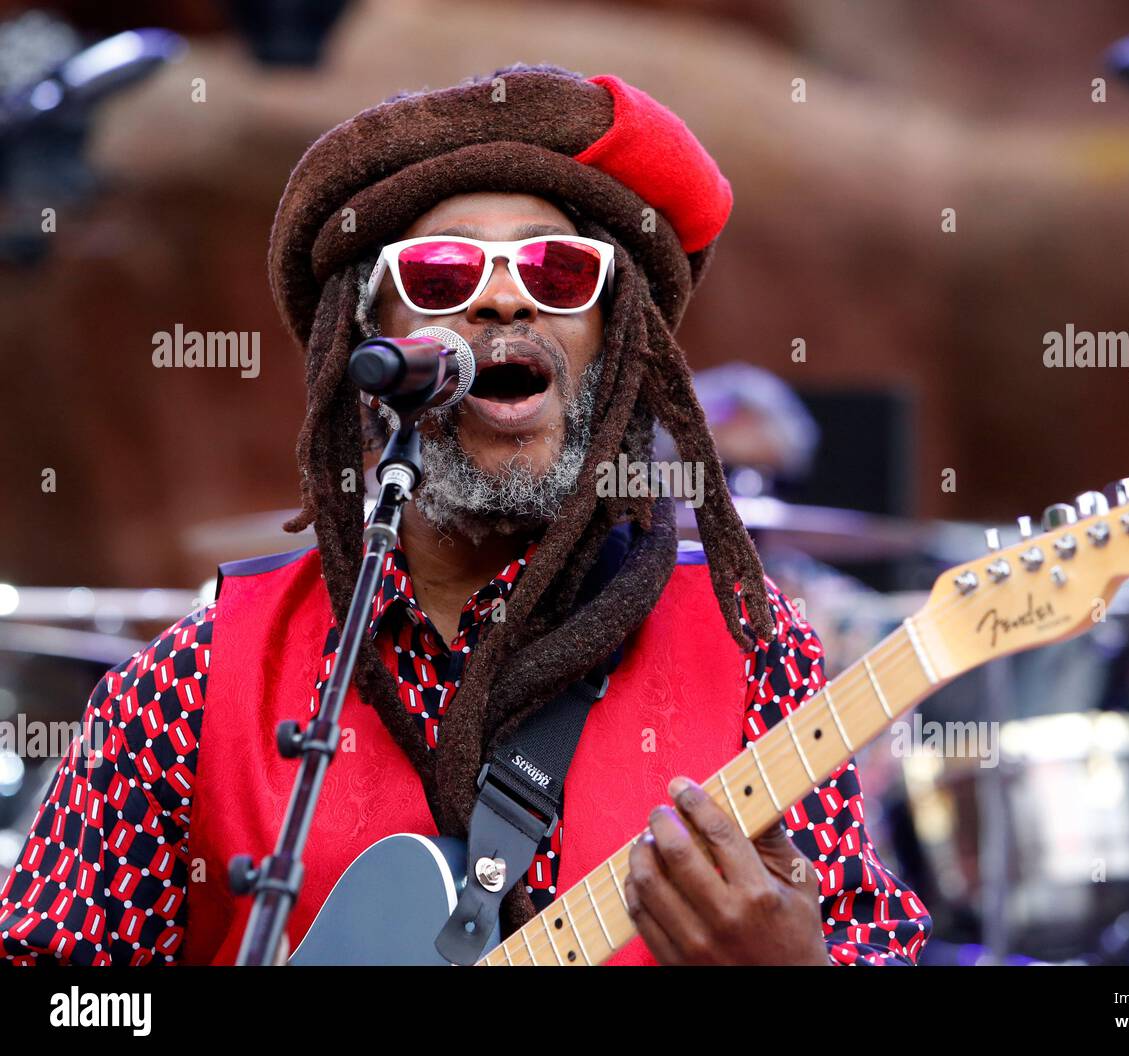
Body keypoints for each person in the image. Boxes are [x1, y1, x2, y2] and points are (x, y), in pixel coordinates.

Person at [0, 64, 928, 966]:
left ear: (614, 347)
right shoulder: (188, 688)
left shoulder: (748, 648)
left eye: (559, 271)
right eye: (442, 276)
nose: (500, 293)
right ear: (368, 352)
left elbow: (872, 944)